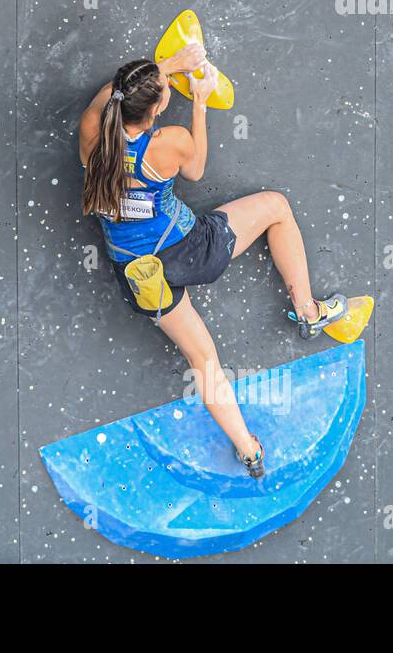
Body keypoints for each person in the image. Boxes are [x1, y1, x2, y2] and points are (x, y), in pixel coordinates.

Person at [78, 52, 355, 477]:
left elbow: (111, 96)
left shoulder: (93, 128)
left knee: (204, 360)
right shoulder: (169, 142)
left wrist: (162, 69)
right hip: (189, 251)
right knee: (277, 208)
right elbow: (197, 168)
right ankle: (308, 311)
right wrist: (201, 99)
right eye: (165, 92)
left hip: (138, 276)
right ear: (156, 109)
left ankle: (249, 452)